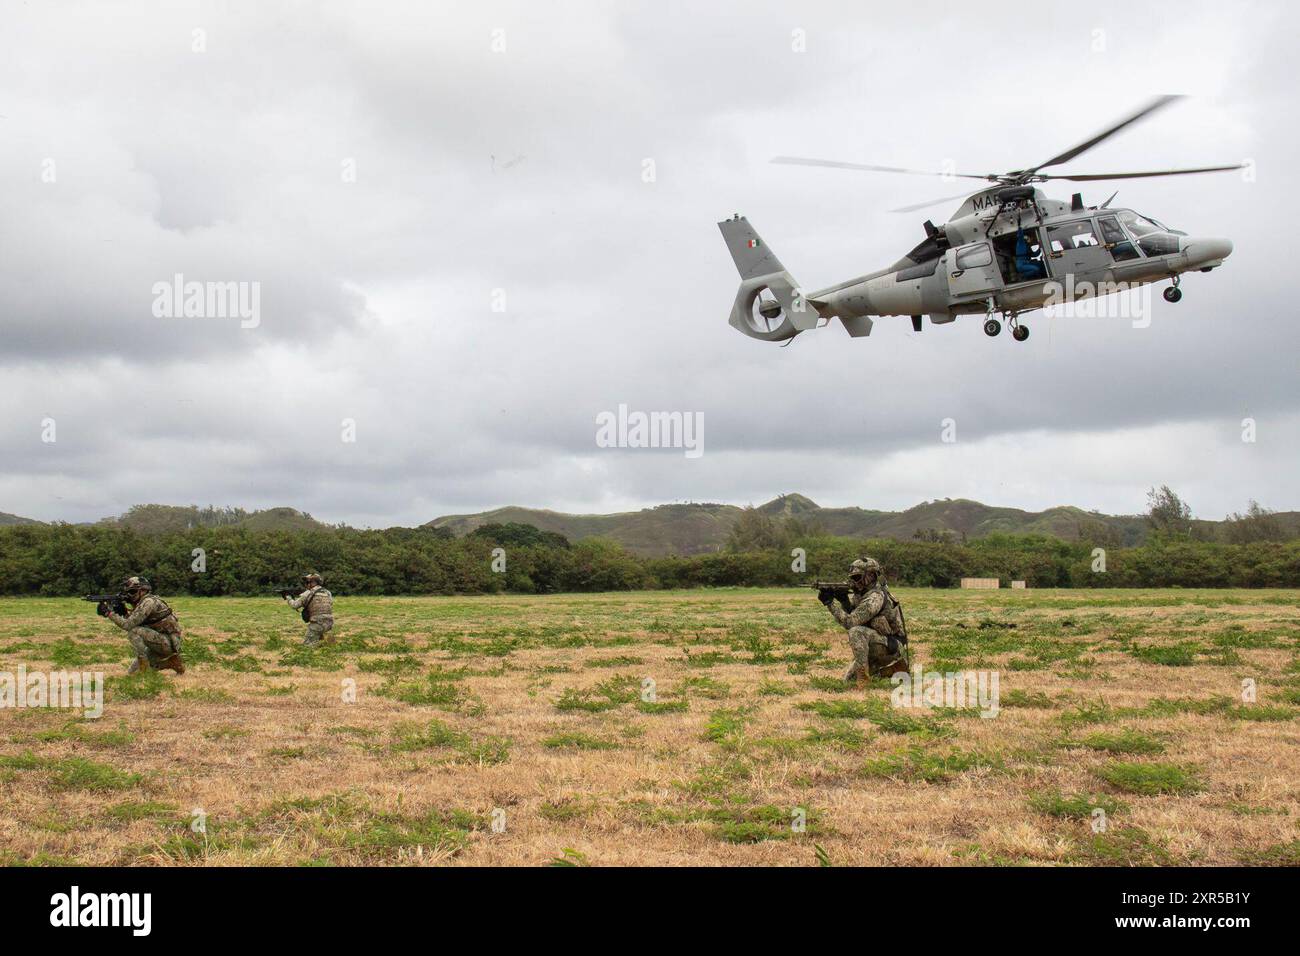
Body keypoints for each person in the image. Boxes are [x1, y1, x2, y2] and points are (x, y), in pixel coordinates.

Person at [818, 557, 908, 683]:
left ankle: (864, 680)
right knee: (848, 681)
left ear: (871, 576)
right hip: (878, 641)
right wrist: (844, 601)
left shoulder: (875, 597)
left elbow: (850, 622)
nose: (854, 582)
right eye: (853, 578)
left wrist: (830, 604)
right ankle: (893, 670)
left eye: (857, 577)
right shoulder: (861, 595)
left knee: (856, 631)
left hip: (891, 646)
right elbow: (856, 616)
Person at [99, 576, 186, 674]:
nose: (129, 595)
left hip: (168, 643)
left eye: (132, 592)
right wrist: (124, 613)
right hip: (160, 641)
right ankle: (172, 663)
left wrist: (109, 613)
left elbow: (128, 626)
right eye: (128, 592)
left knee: (134, 632)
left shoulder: (148, 602)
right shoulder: (142, 602)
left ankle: (143, 666)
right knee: (132, 673)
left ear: (143, 591)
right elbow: (136, 621)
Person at [285, 573, 334, 646]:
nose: (306, 584)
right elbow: (329, 604)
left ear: (314, 582)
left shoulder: (308, 593)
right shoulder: (327, 592)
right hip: (329, 623)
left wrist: (288, 598)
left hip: (317, 623)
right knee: (324, 644)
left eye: (308, 582)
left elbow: (294, 605)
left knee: (307, 646)